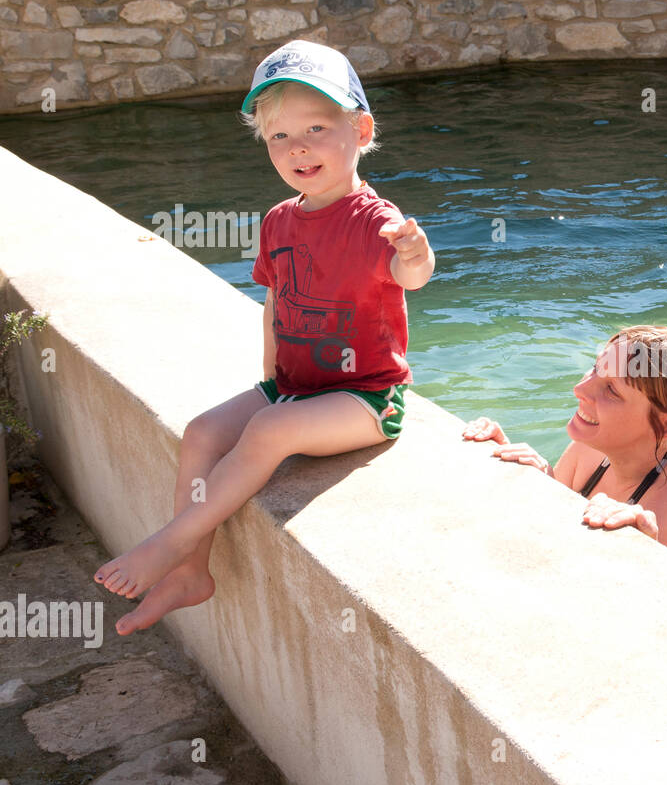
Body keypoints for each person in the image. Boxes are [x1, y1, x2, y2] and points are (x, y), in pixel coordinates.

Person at [94, 40, 435, 635]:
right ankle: (193, 572)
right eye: (280, 136)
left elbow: (410, 276)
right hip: (296, 387)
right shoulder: (279, 220)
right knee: (203, 433)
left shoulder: (372, 217)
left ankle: (169, 544)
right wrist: (272, 379)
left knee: (269, 430)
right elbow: (276, 303)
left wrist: (417, 251)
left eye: (317, 128)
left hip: (365, 399)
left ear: (361, 129)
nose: (298, 147)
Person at [462, 326, 667, 551]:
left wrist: (644, 546)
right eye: (595, 369)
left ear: (666, 425)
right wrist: (535, 475)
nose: (580, 389)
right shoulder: (587, 452)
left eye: (611, 390)